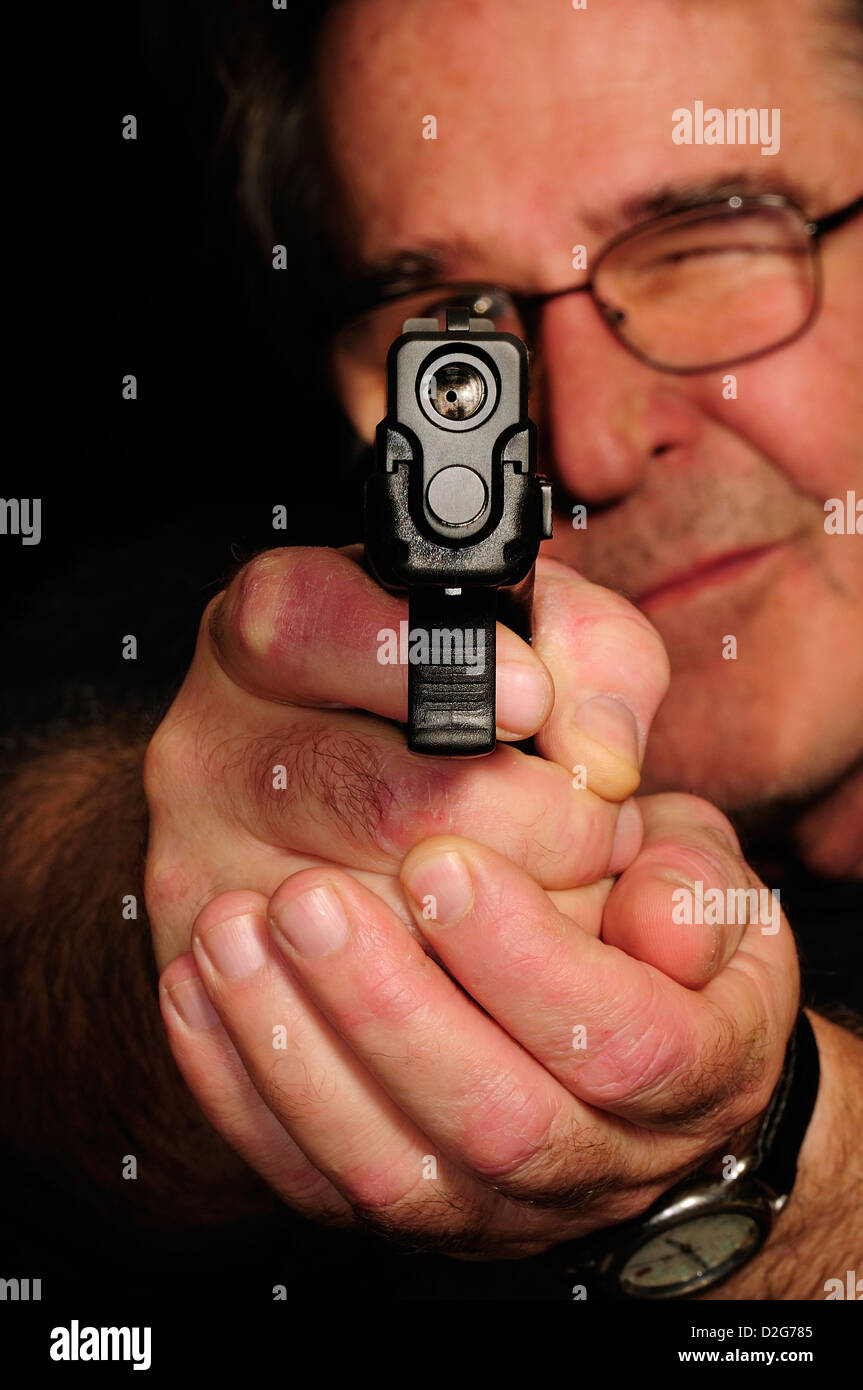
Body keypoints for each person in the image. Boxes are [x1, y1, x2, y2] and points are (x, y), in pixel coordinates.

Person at [2, 0, 861, 1303]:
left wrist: (812, 1163)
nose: (581, 444)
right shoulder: (240, 592)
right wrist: (211, 908)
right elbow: (43, 870)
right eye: (447, 318)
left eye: (702, 242)